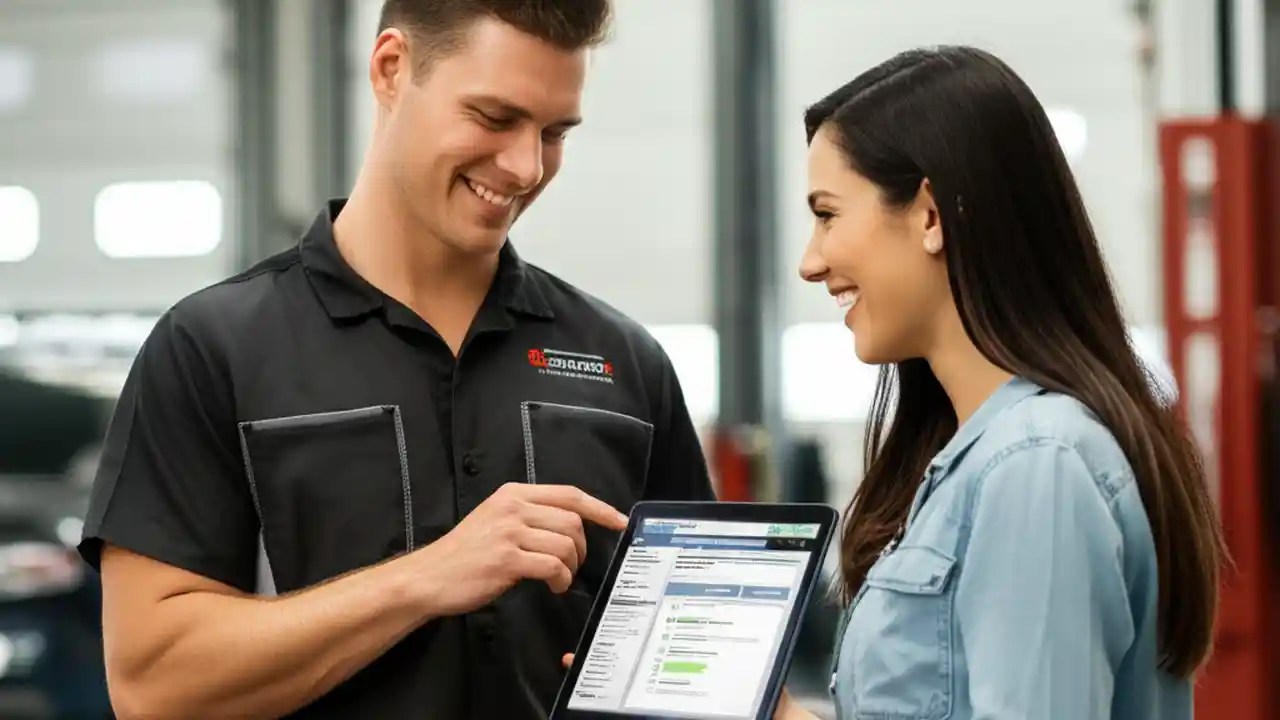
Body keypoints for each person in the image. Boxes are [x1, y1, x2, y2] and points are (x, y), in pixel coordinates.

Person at [77, 1, 714, 718]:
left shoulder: (623, 362)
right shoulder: (213, 349)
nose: (526, 166)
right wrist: (424, 579)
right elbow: (151, 685)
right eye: (494, 117)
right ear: (390, 69)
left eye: (555, 132)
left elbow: (701, 663)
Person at [776, 46, 1225, 719]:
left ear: (929, 216)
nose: (811, 262)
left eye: (828, 214)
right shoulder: (977, 457)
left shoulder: (1036, 465)